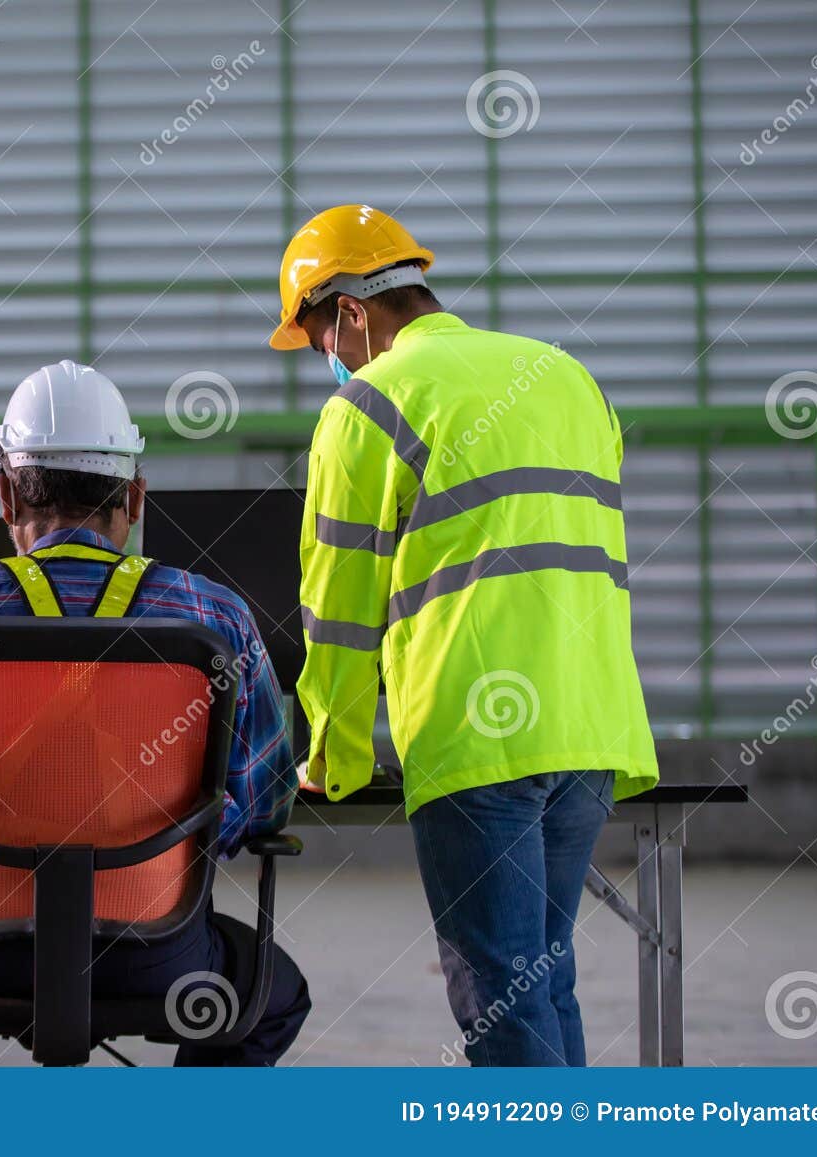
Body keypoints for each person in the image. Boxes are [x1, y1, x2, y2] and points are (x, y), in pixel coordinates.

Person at [0, 359, 309, 1066]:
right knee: (269, 993)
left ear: (8, 496)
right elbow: (264, 808)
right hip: (158, 957)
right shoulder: (215, 618)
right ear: (135, 498)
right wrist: (174, 832)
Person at [269, 204, 659, 1067]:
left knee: (502, 999)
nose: (326, 364)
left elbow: (338, 608)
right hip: (590, 727)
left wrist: (333, 752)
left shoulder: (368, 406)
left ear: (354, 313)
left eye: (321, 339)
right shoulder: (564, 374)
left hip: (477, 737)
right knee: (543, 983)